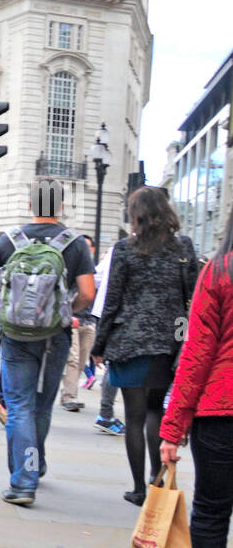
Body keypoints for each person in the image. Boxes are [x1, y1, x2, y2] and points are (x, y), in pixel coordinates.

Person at [0, 180, 96, 505]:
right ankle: (34, 464)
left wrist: (14, 309)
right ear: (60, 206)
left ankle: (23, 479)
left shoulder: (10, 239)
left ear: (31, 205)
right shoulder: (75, 243)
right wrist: (65, 310)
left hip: (15, 335)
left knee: (19, 405)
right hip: (54, 337)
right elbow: (88, 293)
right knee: (41, 406)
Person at [91, 187, 198, 504]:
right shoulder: (183, 247)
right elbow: (190, 296)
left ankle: (139, 488)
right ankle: (157, 481)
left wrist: (100, 343)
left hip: (130, 341)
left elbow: (112, 300)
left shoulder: (125, 249)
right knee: (157, 411)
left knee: (134, 416)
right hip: (170, 342)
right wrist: (184, 336)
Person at [160, 210, 233, 548]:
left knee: (210, 514)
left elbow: (197, 354)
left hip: (221, 413)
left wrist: (172, 428)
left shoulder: (218, 272)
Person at [91, 240, 125, 435]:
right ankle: (105, 414)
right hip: (118, 314)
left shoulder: (117, 248)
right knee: (114, 365)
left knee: (111, 364)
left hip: (104, 311)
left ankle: (106, 413)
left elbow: (96, 277)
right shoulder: (134, 247)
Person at [60, 235, 97, 412]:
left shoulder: (96, 270)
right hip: (73, 319)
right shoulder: (72, 267)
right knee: (73, 359)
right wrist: (70, 313)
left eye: (88, 247)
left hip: (89, 321)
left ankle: (67, 390)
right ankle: (69, 397)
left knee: (81, 361)